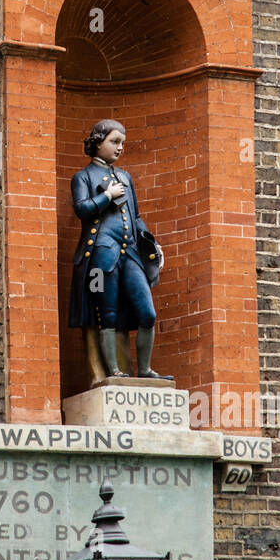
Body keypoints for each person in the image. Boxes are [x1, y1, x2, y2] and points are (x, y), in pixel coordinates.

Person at [68, 119, 163, 378]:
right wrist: (107, 196)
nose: (119, 148)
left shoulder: (125, 177)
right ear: (98, 142)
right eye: (114, 142)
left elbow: (136, 217)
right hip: (100, 257)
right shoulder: (83, 176)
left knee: (147, 312)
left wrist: (150, 244)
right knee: (105, 312)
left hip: (130, 254)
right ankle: (112, 372)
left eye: (122, 143)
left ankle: (143, 369)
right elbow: (82, 209)